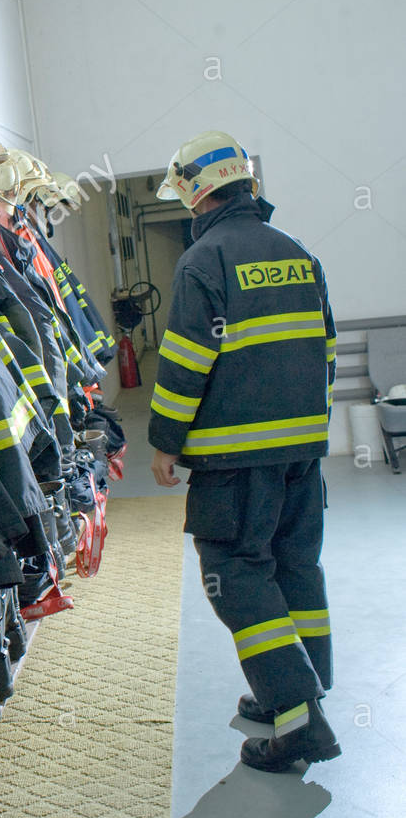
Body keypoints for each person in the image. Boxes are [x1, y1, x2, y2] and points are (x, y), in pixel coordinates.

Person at [149, 130, 338, 772]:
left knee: (234, 577)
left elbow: (185, 363)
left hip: (234, 463)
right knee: (295, 568)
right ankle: (297, 691)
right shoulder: (297, 253)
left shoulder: (206, 261)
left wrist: (165, 443)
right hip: (301, 454)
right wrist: (308, 430)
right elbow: (327, 353)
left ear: (196, 193)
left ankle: (299, 718)